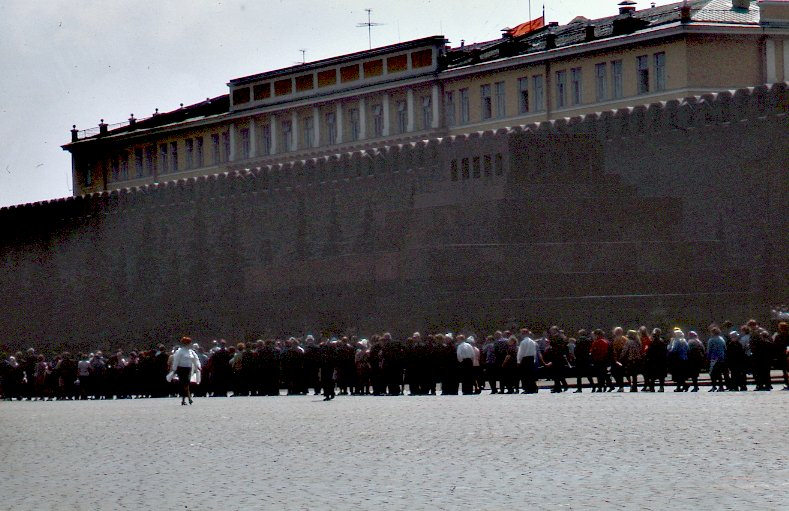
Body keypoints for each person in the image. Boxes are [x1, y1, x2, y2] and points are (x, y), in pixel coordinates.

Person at [169, 336, 202, 406]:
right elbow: (176, 360)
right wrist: (174, 369)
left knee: (186, 384)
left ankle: (185, 399)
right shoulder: (179, 351)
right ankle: (188, 398)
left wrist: (198, 366)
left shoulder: (191, 352)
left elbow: (196, 359)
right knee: (185, 384)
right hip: (181, 369)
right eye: (189, 343)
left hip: (188, 369)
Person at [706, 326, 728, 392]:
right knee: (719, 373)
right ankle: (721, 386)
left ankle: (714, 386)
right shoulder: (722, 339)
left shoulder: (711, 340)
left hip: (714, 358)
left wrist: (707, 358)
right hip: (722, 358)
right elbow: (725, 348)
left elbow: (709, 350)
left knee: (712, 373)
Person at [517, 330, 538, 394]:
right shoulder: (533, 342)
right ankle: (534, 388)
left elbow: (520, 352)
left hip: (525, 359)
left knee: (525, 375)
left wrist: (518, 360)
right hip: (531, 358)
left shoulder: (523, 342)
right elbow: (535, 352)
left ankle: (527, 389)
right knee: (531, 375)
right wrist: (534, 359)